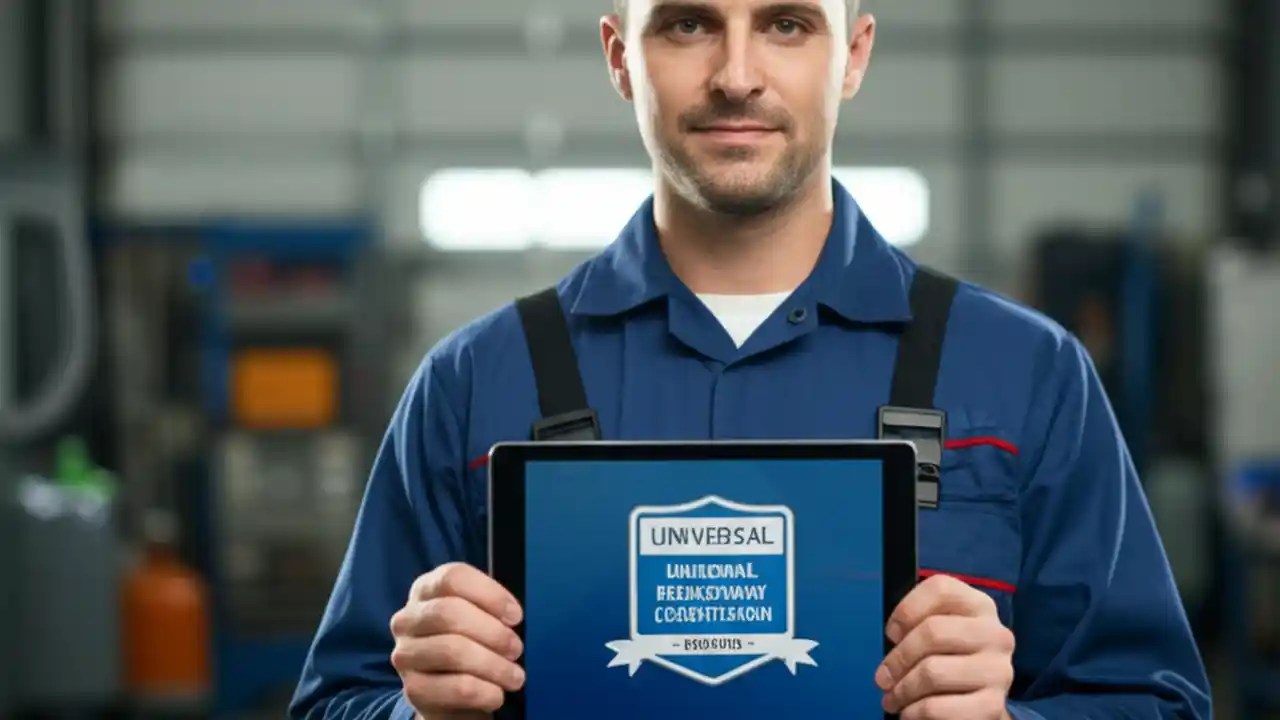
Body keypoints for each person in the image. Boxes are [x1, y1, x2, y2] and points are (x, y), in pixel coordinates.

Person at [289, 0, 1212, 717]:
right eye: (689, 24)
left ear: (852, 55)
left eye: (786, 24)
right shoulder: (474, 386)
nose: (737, 75)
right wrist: (419, 710)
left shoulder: (1024, 377)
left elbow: (1156, 702)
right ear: (619, 57)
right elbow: (336, 701)